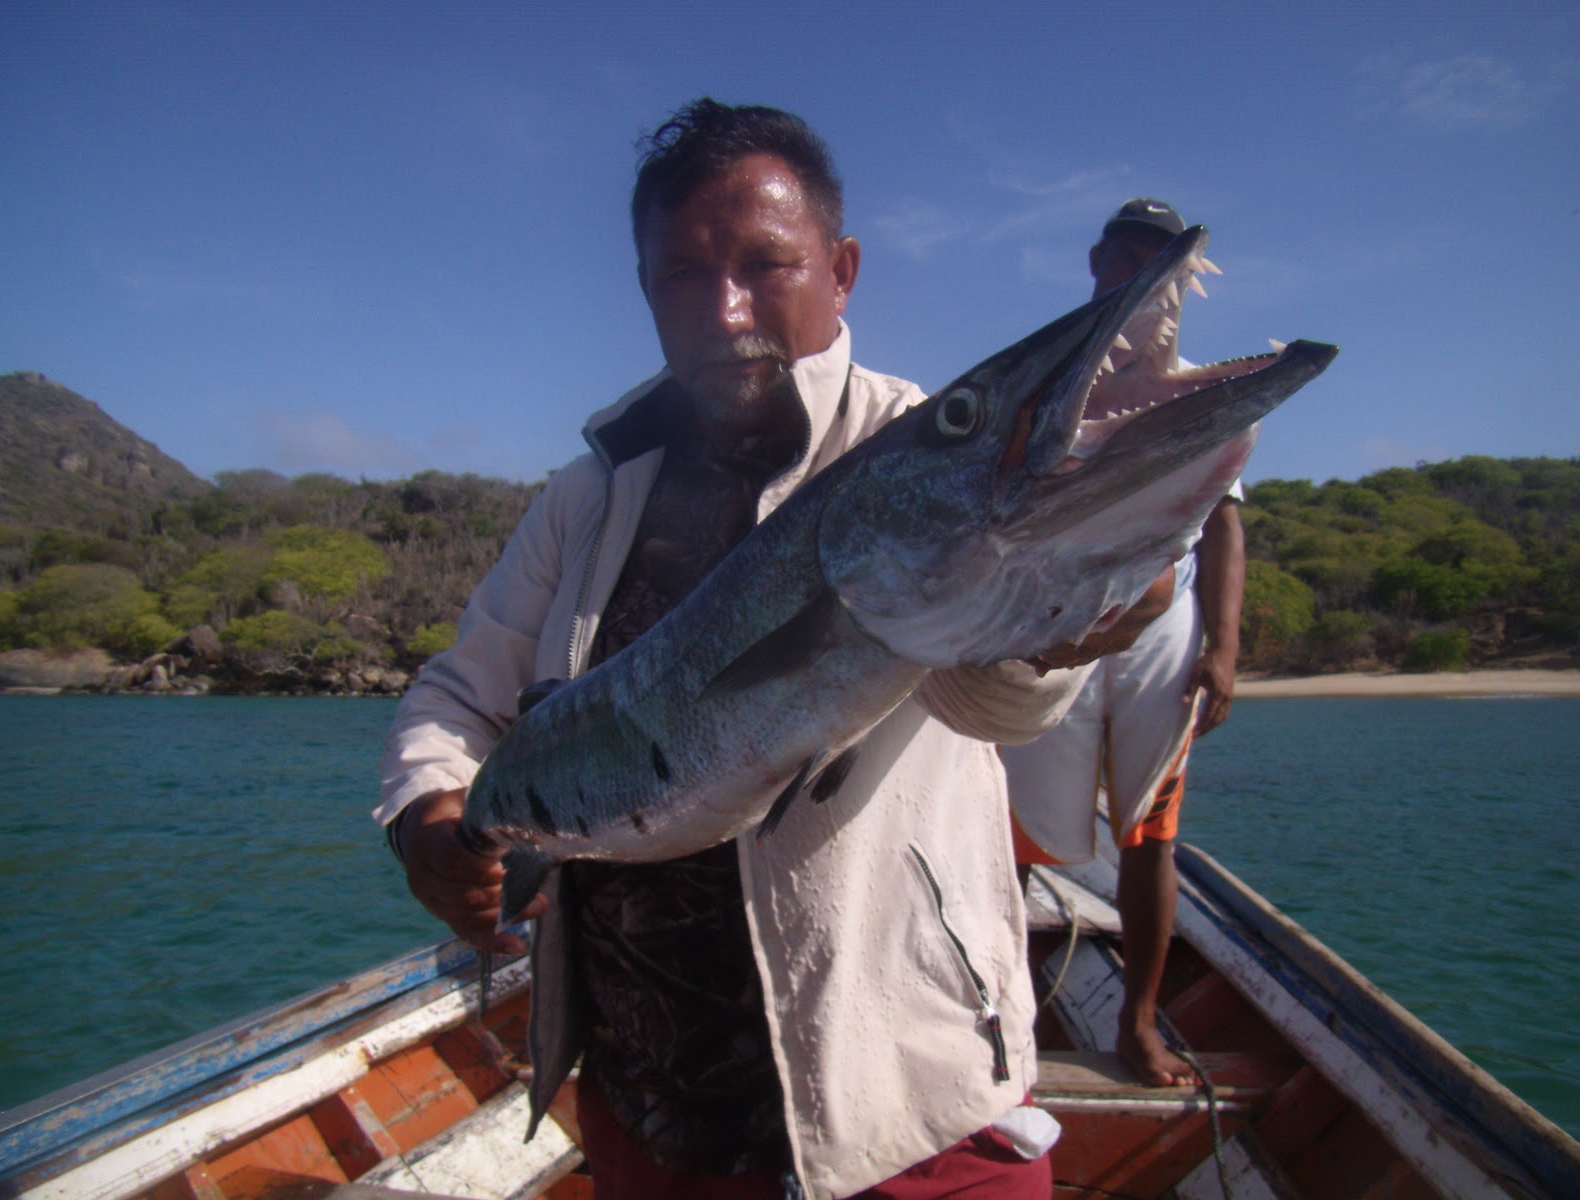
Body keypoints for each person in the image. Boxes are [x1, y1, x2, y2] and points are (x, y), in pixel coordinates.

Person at [377, 99, 1167, 1200]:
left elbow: (993, 707)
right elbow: (460, 696)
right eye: (683, 278)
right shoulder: (586, 497)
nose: (726, 310)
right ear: (645, 288)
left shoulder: (921, 444)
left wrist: (1060, 628)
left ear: (841, 270)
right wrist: (428, 810)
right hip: (647, 1110)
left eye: (765, 264)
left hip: (906, 1115)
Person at [1003, 198, 1248, 1089]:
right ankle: (1009, 1023)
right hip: (1057, 623)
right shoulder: (1040, 376)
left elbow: (1222, 524)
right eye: (1128, 254)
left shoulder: (1207, 389)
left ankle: (1138, 1026)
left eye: (1162, 259)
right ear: (1098, 263)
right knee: (1014, 840)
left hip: (1162, 633)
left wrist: (1221, 647)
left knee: (1150, 831)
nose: (1143, 271)